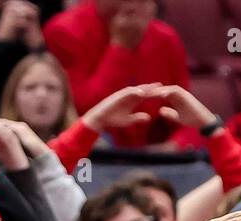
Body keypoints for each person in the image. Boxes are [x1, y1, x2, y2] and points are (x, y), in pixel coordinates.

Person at [43, 0, 189, 147]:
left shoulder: (166, 39)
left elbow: (188, 115)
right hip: (94, 149)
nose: (132, 6)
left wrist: (176, 145)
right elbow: (82, 112)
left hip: (153, 153)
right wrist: (120, 47)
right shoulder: (64, 31)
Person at [0, 51, 77, 141]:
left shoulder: (88, 151)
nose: (42, 95)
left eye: (51, 88)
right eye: (30, 87)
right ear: (13, 98)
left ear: (65, 99)